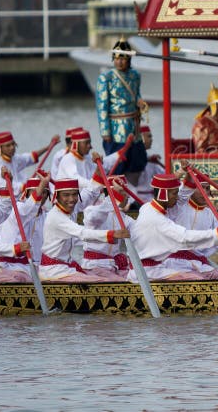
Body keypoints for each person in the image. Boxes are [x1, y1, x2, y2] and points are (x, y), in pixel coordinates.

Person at [127, 173, 218, 282]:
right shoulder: (158, 220)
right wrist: (216, 235)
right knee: (197, 280)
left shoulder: (147, 207)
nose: (177, 197)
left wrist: (188, 177)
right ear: (163, 195)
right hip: (147, 271)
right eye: (174, 194)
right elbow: (184, 237)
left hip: (157, 267)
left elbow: (183, 197)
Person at [39, 177, 129, 282]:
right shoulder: (56, 217)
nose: (71, 199)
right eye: (66, 195)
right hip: (53, 271)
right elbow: (82, 233)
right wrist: (112, 234)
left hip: (65, 267)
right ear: (56, 196)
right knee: (101, 283)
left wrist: (98, 173)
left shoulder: (69, 210)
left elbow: (88, 194)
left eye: (74, 194)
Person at [95, 38, 148, 176]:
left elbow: (136, 94)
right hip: (116, 127)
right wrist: (105, 131)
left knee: (136, 162)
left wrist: (139, 101)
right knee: (117, 164)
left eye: (123, 58)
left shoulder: (135, 75)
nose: (119, 61)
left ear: (129, 59)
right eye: (117, 58)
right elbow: (102, 106)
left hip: (133, 126)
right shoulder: (106, 77)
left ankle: (135, 190)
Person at [0, 174, 51, 274]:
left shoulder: (47, 217)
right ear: (27, 194)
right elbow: (27, 208)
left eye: (44, 192)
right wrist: (42, 185)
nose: (41, 195)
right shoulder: (19, 209)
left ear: (48, 195)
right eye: (36, 191)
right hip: (7, 265)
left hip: (30, 266)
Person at [80, 175, 133, 279]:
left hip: (114, 266)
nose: (128, 197)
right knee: (125, 285)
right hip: (94, 267)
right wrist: (113, 197)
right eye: (123, 193)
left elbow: (141, 229)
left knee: (137, 280)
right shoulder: (92, 211)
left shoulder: (123, 217)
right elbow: (95, 217)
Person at [0, 131, 58, 196]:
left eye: (13, 144)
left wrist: (48, 147)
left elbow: (29, 158)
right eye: (8, 145)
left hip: (11, 197)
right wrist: (28, 186)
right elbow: (1, 185)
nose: (12, 147)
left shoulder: (12, 158)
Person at [130, 125, 166, 203]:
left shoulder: (151, 159)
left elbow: (165, 175)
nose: (151, 140)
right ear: (141, 138)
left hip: (150, 199)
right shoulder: (131, 159)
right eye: (149, 136)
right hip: (134, 200)